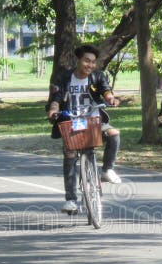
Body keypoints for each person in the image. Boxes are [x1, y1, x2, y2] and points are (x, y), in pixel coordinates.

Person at [46, 44, 121, 214]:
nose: (90, 65)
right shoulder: (64, 78)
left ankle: (107, 170)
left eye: (93, 62)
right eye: (87, 61)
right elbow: (56, 98)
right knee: (70, 154)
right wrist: (53, 109)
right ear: (78, 60)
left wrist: (111, 99)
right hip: (71, 122)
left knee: (114, 134)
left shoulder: (97, 77)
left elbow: (106, 91)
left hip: (93, 121)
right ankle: (71, 200)